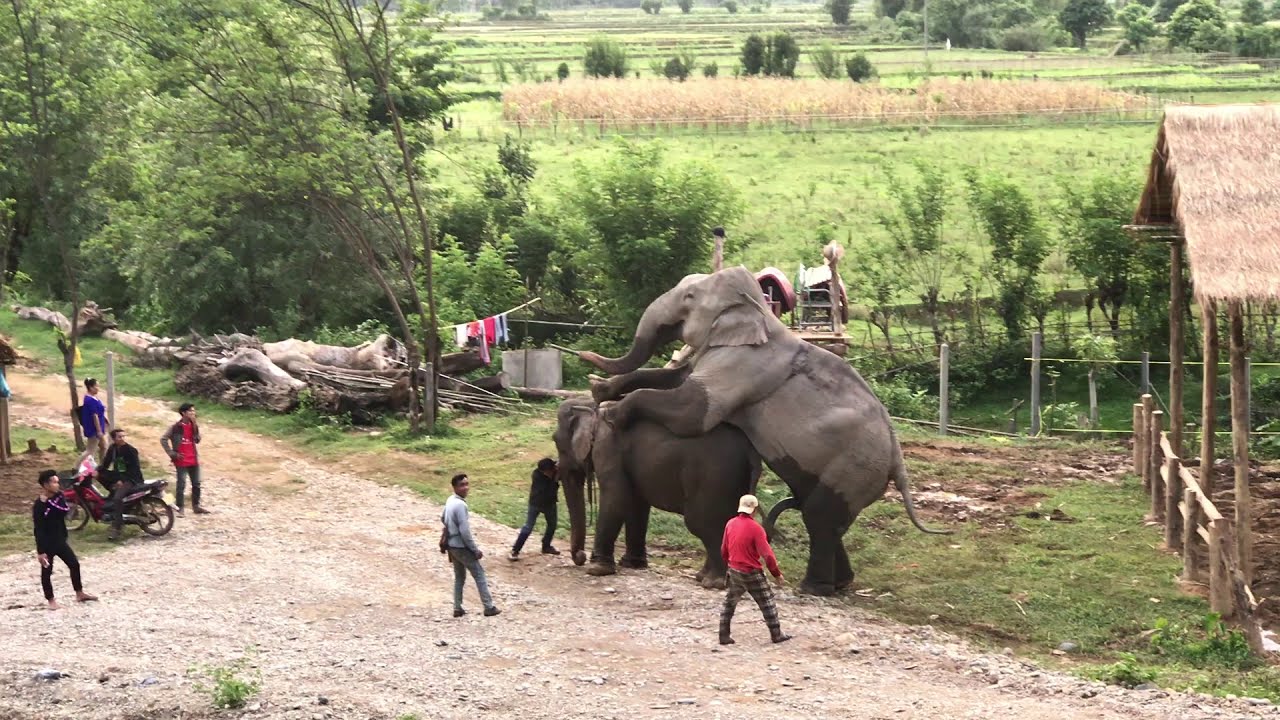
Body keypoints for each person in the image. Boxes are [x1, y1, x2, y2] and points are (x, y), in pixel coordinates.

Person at [719, 494, 791, 646]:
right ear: (755, 510)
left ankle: (723, 635)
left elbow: (724, 549)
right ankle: (776, 634)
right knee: (767, 601)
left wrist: (730, 565)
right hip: (751, 571)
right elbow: (768, 556)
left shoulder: (730, 524)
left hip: (734, 569)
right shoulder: (756, 529)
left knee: (730, 602)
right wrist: (777, 574)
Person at [32, 470, 97, 610]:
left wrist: (48, 504)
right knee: (47, 572)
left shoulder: (59, 497)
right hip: (47, 543)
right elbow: (39, 528)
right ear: (45, 485)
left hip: (60, 540)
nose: (57, 485)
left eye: (57, 482)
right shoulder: (38, 505)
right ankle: (51, 601)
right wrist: (40, 551)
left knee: (74, 564)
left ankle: (79, 593)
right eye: (54, 482)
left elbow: (63, 511)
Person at [442, 473, 500, 618]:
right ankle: (488, 606)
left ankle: (457, 607)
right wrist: (474, 549)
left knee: (459, 576)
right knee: (479, 574)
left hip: (452, 545)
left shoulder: (450, 500)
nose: (466, 488)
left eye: (467, 484)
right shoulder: (461, 505)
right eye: (462, 485)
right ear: (455, 487)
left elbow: (443, 518)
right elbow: (465, 531)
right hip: (461, 546)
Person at [509, 458, 561, 560]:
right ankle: (515, 550)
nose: (548, 473)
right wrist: (554, 480)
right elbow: (549, 491)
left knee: (552, 525)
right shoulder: (537, 476)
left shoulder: (553, 470)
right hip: (536, 504)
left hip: (550, 504)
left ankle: (546, 546)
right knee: (528, 527)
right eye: (546, 472)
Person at [161, 402, 205, 517]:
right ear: (184, 413)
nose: (193, 413)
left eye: (193, 411)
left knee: (197, 483)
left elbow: (197, 440)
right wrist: (172, 453)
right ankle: (180, 508)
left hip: (193, 458)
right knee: (181, 484)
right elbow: (163, 439)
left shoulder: (193, 425)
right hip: (181, 459)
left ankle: (196, 506)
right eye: (190, 411)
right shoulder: (175, 427)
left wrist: (196, 428)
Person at [101, 428, 144, 541]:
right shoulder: (113, 449)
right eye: (119, 437)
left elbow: (134, 469)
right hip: (119, 477)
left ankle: (117, 527)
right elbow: (106, 463)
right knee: (102, 476)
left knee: (118, 498)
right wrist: (96, 470)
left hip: (131, 479)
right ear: (114, 439)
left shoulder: (131, 450)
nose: (122, 439)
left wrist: (122, 480)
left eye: (124, 436)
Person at [78, 378, 109, 461]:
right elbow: (95, 416)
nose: (98, 388)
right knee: (90, 451)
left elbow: (99, 412)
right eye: (96, 386)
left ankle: (102, 466)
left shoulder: (94, 398)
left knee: (104, 446)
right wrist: (98, 430)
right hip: (94, 429)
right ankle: (77, 467)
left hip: (99, 428)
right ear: (91, 387)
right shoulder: (89, 400)